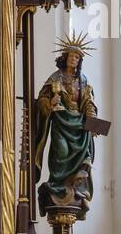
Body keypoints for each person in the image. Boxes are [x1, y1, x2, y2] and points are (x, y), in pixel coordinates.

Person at [34, 35, 97, 217]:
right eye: (71, 56)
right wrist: (50, 102)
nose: (73, 59)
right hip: (61, 122)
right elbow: (42, 99)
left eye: (77, 57)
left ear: (80, 61)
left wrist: (92, 119)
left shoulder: (83, 81)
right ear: (65, 58)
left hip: (78, 125)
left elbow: (88, 102)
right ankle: (58, 184)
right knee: (60, 152)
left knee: (83, 158)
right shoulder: (55, 77)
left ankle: (74, 186)